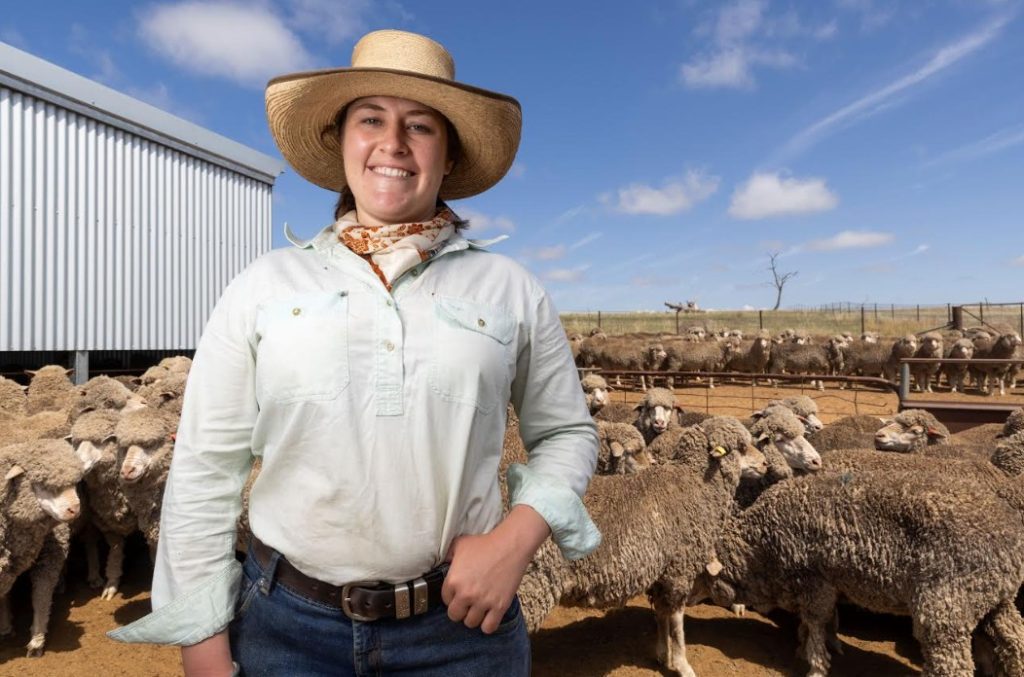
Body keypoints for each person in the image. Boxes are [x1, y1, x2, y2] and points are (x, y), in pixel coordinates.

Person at [109, 29, 600, 676]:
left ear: (448, 154)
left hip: (460, 636)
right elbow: (206, 464)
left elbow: (567, 432)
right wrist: (202, 640)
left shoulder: (510, 289)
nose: (392, 143)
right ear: (341, 138)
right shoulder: (264, 285)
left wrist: (516, 538)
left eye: (420, 126)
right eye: (371, 119)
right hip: (285, 628)